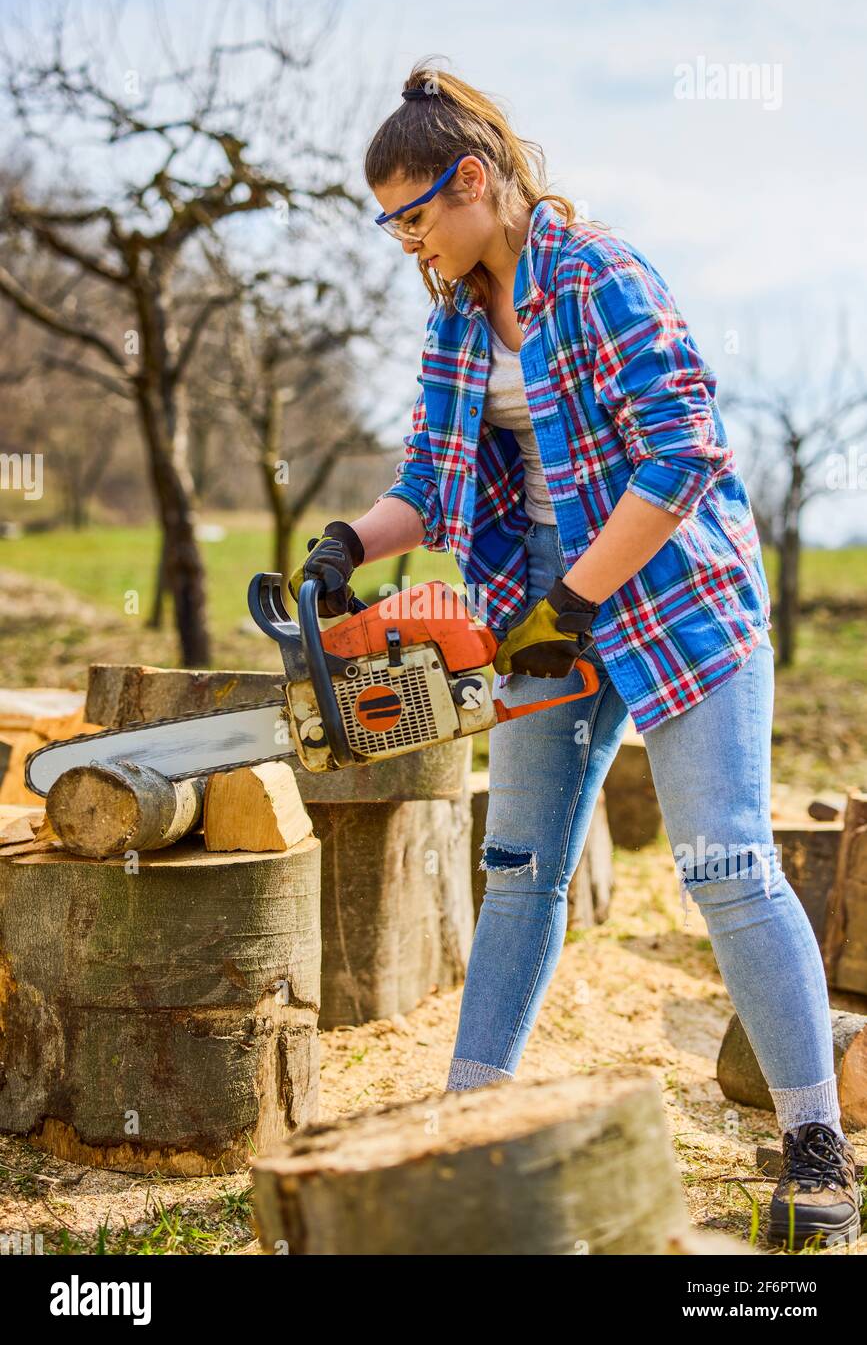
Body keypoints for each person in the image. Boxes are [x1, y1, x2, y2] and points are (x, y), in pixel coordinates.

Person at [288, 62, 861, 1250]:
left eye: (413, 217)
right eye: (388, 223)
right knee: (520, 864)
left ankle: (817, 1144)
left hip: (668, 592)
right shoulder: (453, 312)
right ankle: (468, 1114)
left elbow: (686, 450)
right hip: (540, 602)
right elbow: (433, 484)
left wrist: (579, 600)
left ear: (474, 182)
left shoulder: (596, 273)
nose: (408, 246)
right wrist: (351, 541)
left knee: (724, 862)